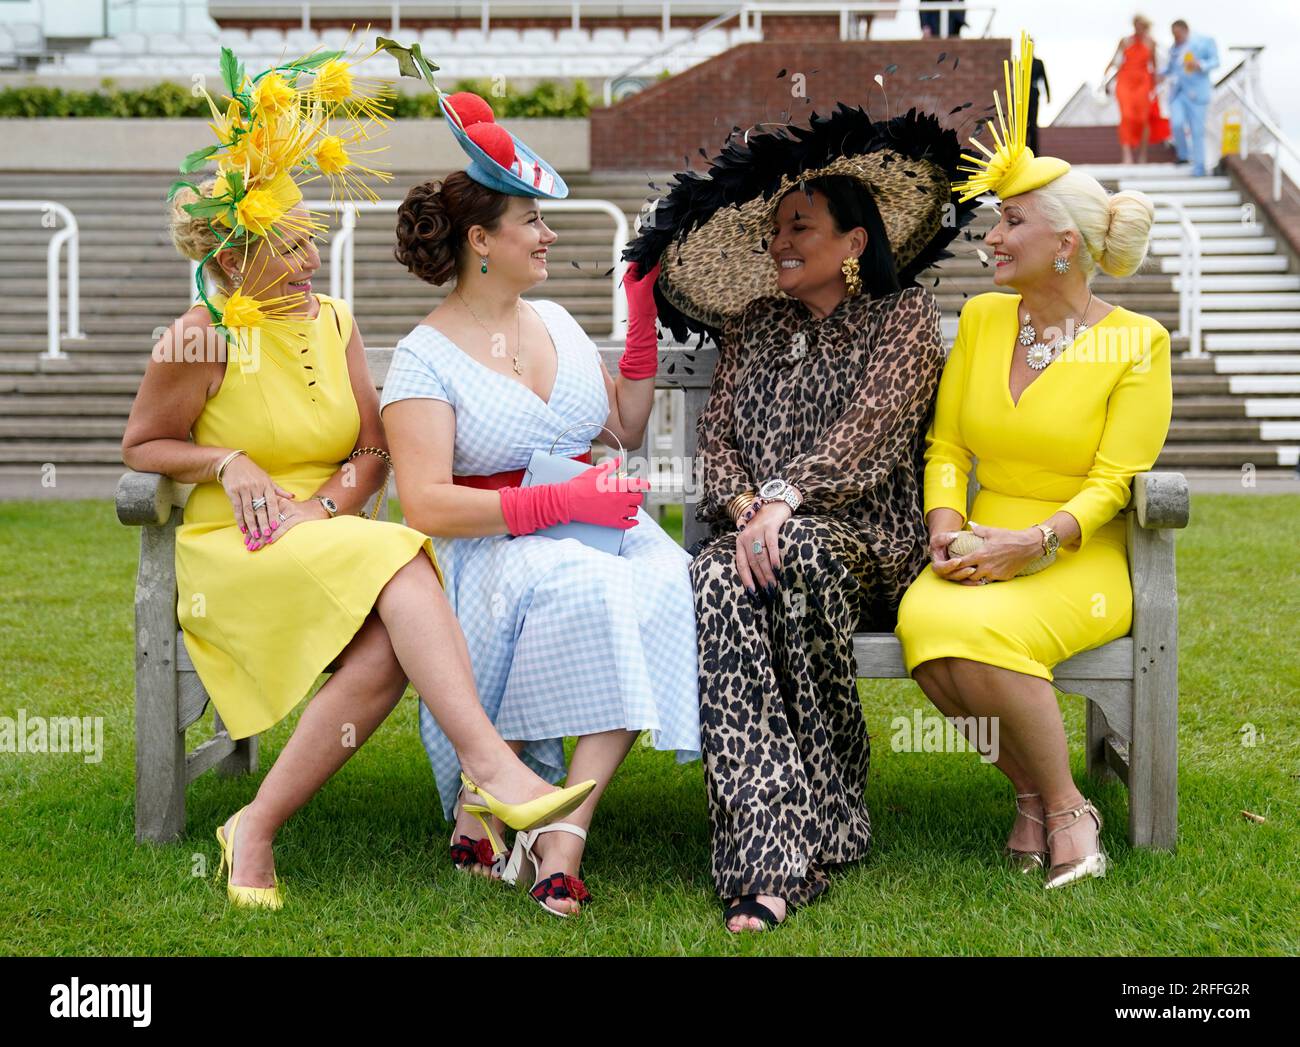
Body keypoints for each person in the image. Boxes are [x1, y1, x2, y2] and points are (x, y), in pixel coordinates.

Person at [122, 51, 595, 911]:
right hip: (241, 548)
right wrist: (226, 462)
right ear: (233, 253)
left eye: (311, 236)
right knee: (403, 555)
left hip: (329, 533)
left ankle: (255, 826)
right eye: (289, 243)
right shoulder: (200, 334)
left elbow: (376, 452)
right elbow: (142, 445)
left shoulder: (334, 318)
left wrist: (328, 503)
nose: (312, 255)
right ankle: (491, 768)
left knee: (386, 616)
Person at [625, 104, 977, 931]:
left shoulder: (900, 321)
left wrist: (782, 501)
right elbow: (716, 446)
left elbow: (873, 436)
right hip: (756, 537)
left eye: (799, 226)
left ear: (854, 242)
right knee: (714, 577)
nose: (779, 242)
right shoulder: (751, 326)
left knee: (805, 552)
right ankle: (766, 851)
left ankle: (828, 810)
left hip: (866, 543)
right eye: (775, 230)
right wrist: (750, 509)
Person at [378, 91, 701, 917]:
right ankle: (504, 807)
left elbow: (623, 427)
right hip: (493, 551)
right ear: (481, 241)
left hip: (590, 530)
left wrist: (637, 312)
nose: (549, 234)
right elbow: (424, 505)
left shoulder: (555, 318)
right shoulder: (424, 357)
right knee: (589, 589)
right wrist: (553, 501)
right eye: (533, 221)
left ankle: (562, 835)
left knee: (667, 579)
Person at [895, 33, 1173, 890]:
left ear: (1066, 244)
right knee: (928, 635)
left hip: (1077, 554)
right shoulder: (981, 321)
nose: (991, 234)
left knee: (977, 637)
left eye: (1011, 219)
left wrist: (1034, 544)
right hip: (981, 538)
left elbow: (1111, 486)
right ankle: (1035, 791)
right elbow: (946, 447)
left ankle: (1064, 808)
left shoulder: (1137, 344)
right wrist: (948, 528)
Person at [1104, 14, 1172, 164]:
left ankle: (1142, 154)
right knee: (1126, 117)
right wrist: (1105, 78)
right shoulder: (1125, 41)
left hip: (1143, 82)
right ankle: (1126, 154)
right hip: (1125, 80)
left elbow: (1154, 66)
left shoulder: (1151, 43)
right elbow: (1115, 61)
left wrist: (1156, 86)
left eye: (1142, 26)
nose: (1139, 29)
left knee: (1142, 119)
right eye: (1137, 25)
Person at [1161, 18, 1219, 176]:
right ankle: (1183, 155)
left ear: (1186, 30)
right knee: (1176, 124)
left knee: (1197, 131)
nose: (1176, 38)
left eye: (1177, 34)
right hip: (1178, 93)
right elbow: (1170, 69)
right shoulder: (1174, 48)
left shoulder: (1204, 41)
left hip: (1197, 94)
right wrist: (1160, 74)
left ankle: (1199, 167)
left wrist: (1200, 64)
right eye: (1173, 35)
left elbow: (1215, 61)